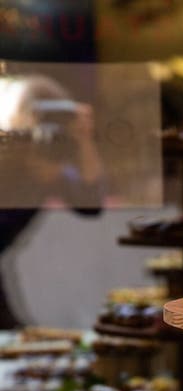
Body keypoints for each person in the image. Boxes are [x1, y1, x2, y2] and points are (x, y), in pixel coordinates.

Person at [0, 73, 103, 327]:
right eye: (37, 114)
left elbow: (89, 203)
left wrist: (83, 138)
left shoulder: (51, 170)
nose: (44, 128)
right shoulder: (9, 158)